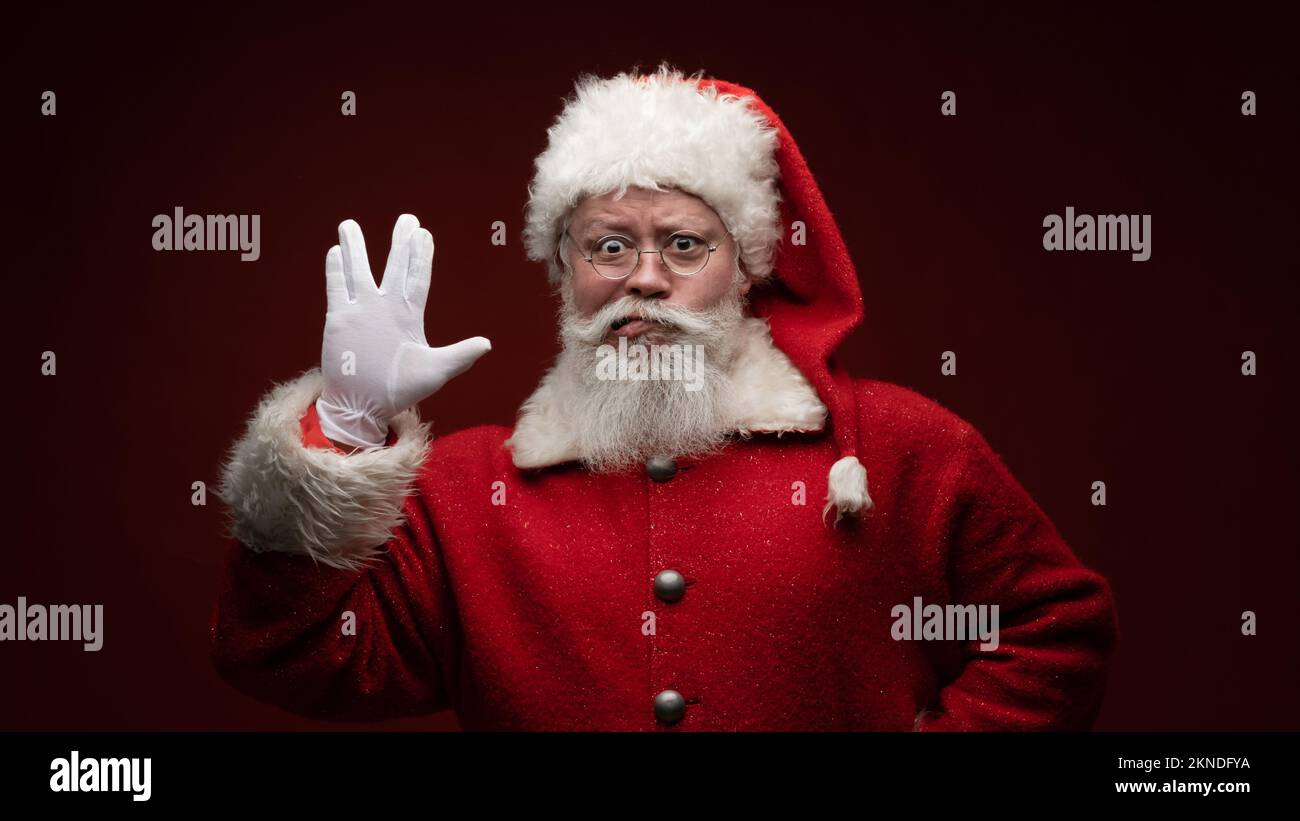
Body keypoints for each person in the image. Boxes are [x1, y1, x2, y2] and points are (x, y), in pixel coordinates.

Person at [211, 64, 1118, 730]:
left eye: (684, 244)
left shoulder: (897, 446)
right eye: (609, 245)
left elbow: (1057, 625)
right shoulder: (463, 491)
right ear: (564, 270)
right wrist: (343, 428)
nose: (644, 278)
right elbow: (288, 656)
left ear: (745, 265)